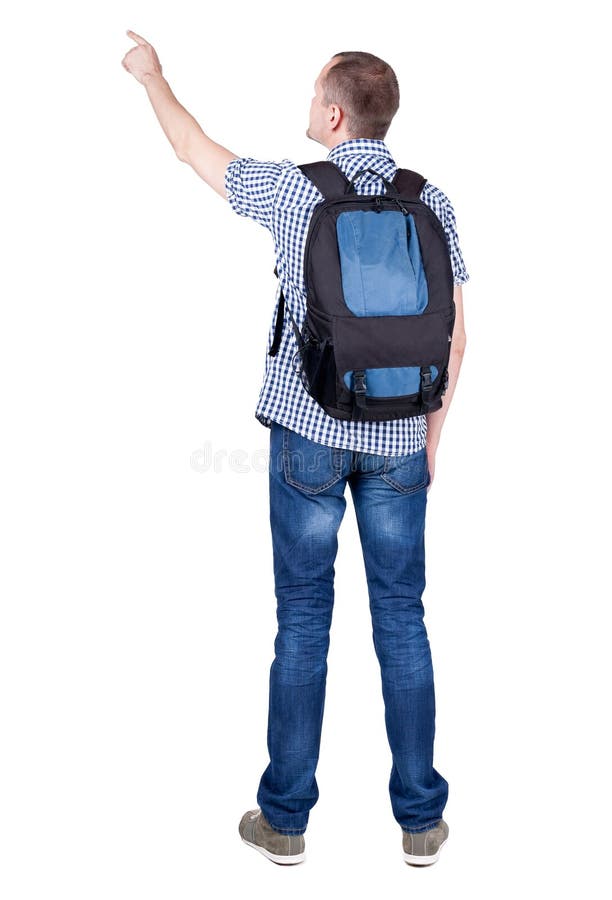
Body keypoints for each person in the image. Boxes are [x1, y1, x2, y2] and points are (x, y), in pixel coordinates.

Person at [122, 32, 469, 868]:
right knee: (403, 621)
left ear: (337, 112)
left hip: (307, 434)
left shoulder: (292, 192)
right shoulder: (434, 200)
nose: (308, 107)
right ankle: (420, 823)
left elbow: (189, 148)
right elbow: (457, 336)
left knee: (304, 621)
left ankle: (285, 822)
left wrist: (153, 77)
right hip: (399, 441)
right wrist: (429, 440)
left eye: (316, 96)